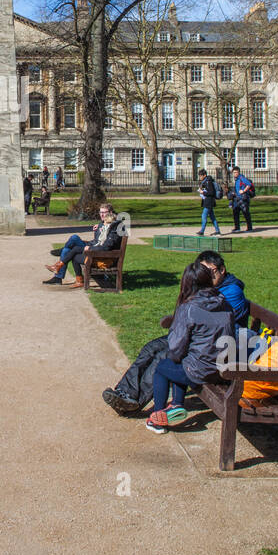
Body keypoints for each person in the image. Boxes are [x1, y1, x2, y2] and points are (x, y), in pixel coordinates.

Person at [146, 263, 236, 433]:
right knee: (181, 363)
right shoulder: (225, 303)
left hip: (201, 371)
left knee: (163, 367)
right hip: (224, 369)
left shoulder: (189, 308)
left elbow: (175, 347)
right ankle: (176, 405)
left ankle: (158, 417)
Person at [103, 263, 198, 414]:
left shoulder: (227, 292)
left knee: (163, 357)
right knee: (151, 347)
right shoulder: (204, 292)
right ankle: (124, 391)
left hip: (199, 342)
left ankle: (134, 402)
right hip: (186, 335)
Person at [44, 204, 125, 288]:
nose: (102, 214)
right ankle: (62, 268)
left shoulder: (114, 226)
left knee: (69, 249)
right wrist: (99, 227)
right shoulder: (104, 223)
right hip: (95, 248)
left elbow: (107, 245)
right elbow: (98, 240)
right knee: (72, 243)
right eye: (100, 212)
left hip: (101, 254)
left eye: (104, 212)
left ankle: (60, 272)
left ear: (110, 212)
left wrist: (90, 248)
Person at [197, 169, 221, 236]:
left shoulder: (208, 182)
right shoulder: (205, 182)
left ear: (204, 175)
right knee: (212, 217)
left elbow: (211, 192)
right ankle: (217, 231)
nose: (200, 177)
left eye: (201, 175)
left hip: (209, 201)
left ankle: (202, 231)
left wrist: (203, 192)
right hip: (207, 201)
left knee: (204, 215)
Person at [231, 166, 254, 232]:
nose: (235, 174)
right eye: (234, 172)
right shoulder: (236, 179)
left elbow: (249, 184)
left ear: (238, 172)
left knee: (246, 213)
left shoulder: (242, 178)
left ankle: (249, 228)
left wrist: (243, 191)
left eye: (236, 172)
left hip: (243, 199)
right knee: (235, 213)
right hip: (237, 199)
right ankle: (237, 228)